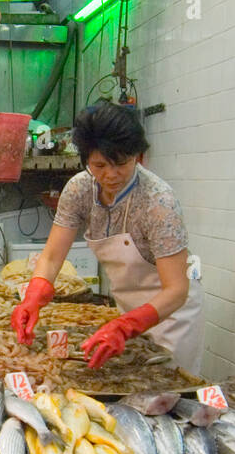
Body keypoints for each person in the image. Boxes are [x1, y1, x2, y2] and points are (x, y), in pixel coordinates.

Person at [10, 101, 205, 372]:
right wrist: (33, 296)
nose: (111, 175)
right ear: (86, 160)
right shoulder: (79, 190)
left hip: (170, 317)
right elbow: (52, 258)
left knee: (166, 393)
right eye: (99, 165)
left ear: (139, 157)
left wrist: (126, 326)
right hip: (126, 310)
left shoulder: (159, 202)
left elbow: (176, 290)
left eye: (121, 163)